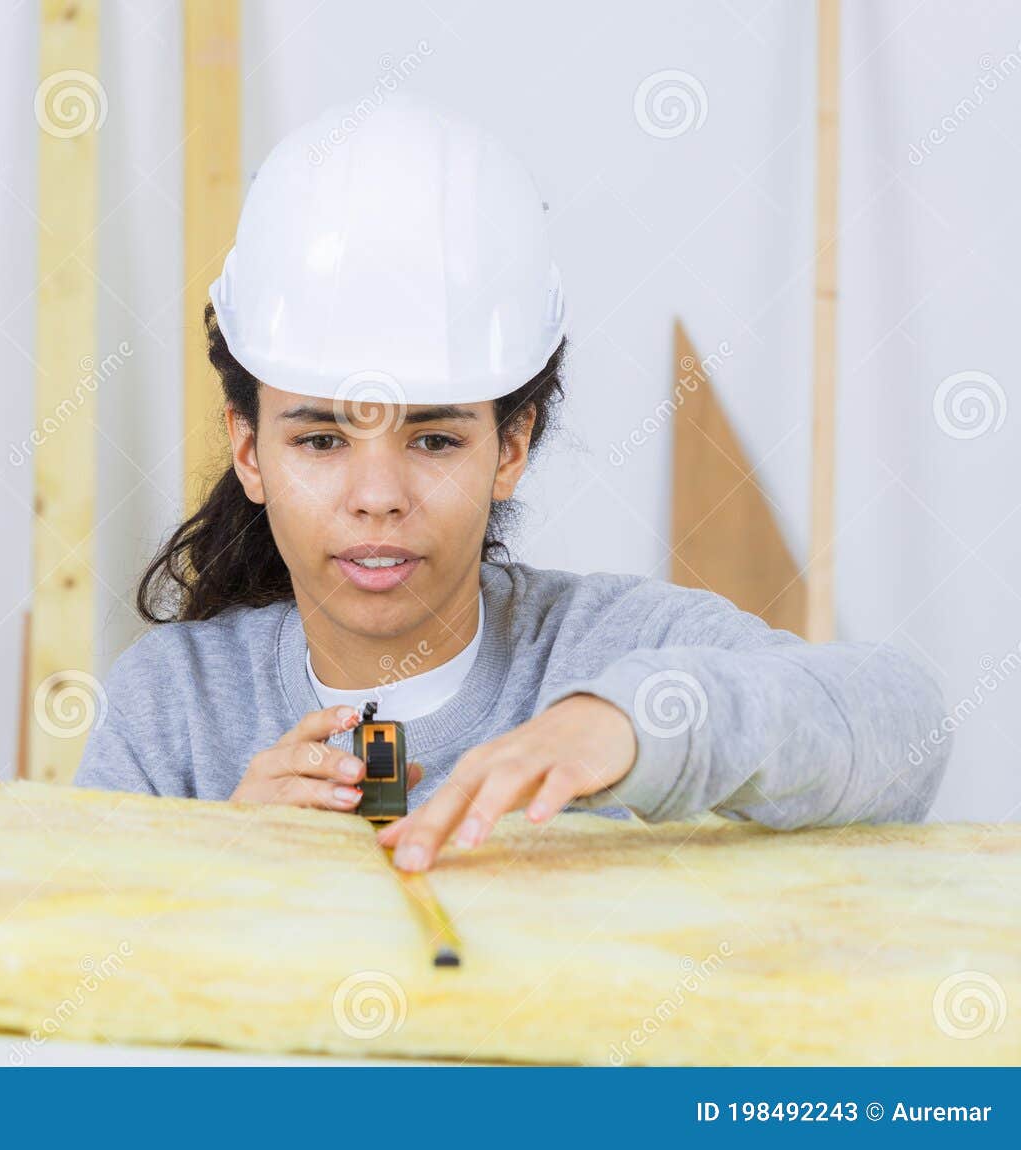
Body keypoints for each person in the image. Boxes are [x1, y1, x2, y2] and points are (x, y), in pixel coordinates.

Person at [72, 95, 949, 872]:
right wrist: (214, 864)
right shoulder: (173, 707)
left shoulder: (613, 650)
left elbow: (907, 725)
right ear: (251, 451)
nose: (378, 496)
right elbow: (77, 971)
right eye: (323, 439)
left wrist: (629, 725)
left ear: (511, 446)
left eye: (434, 439)